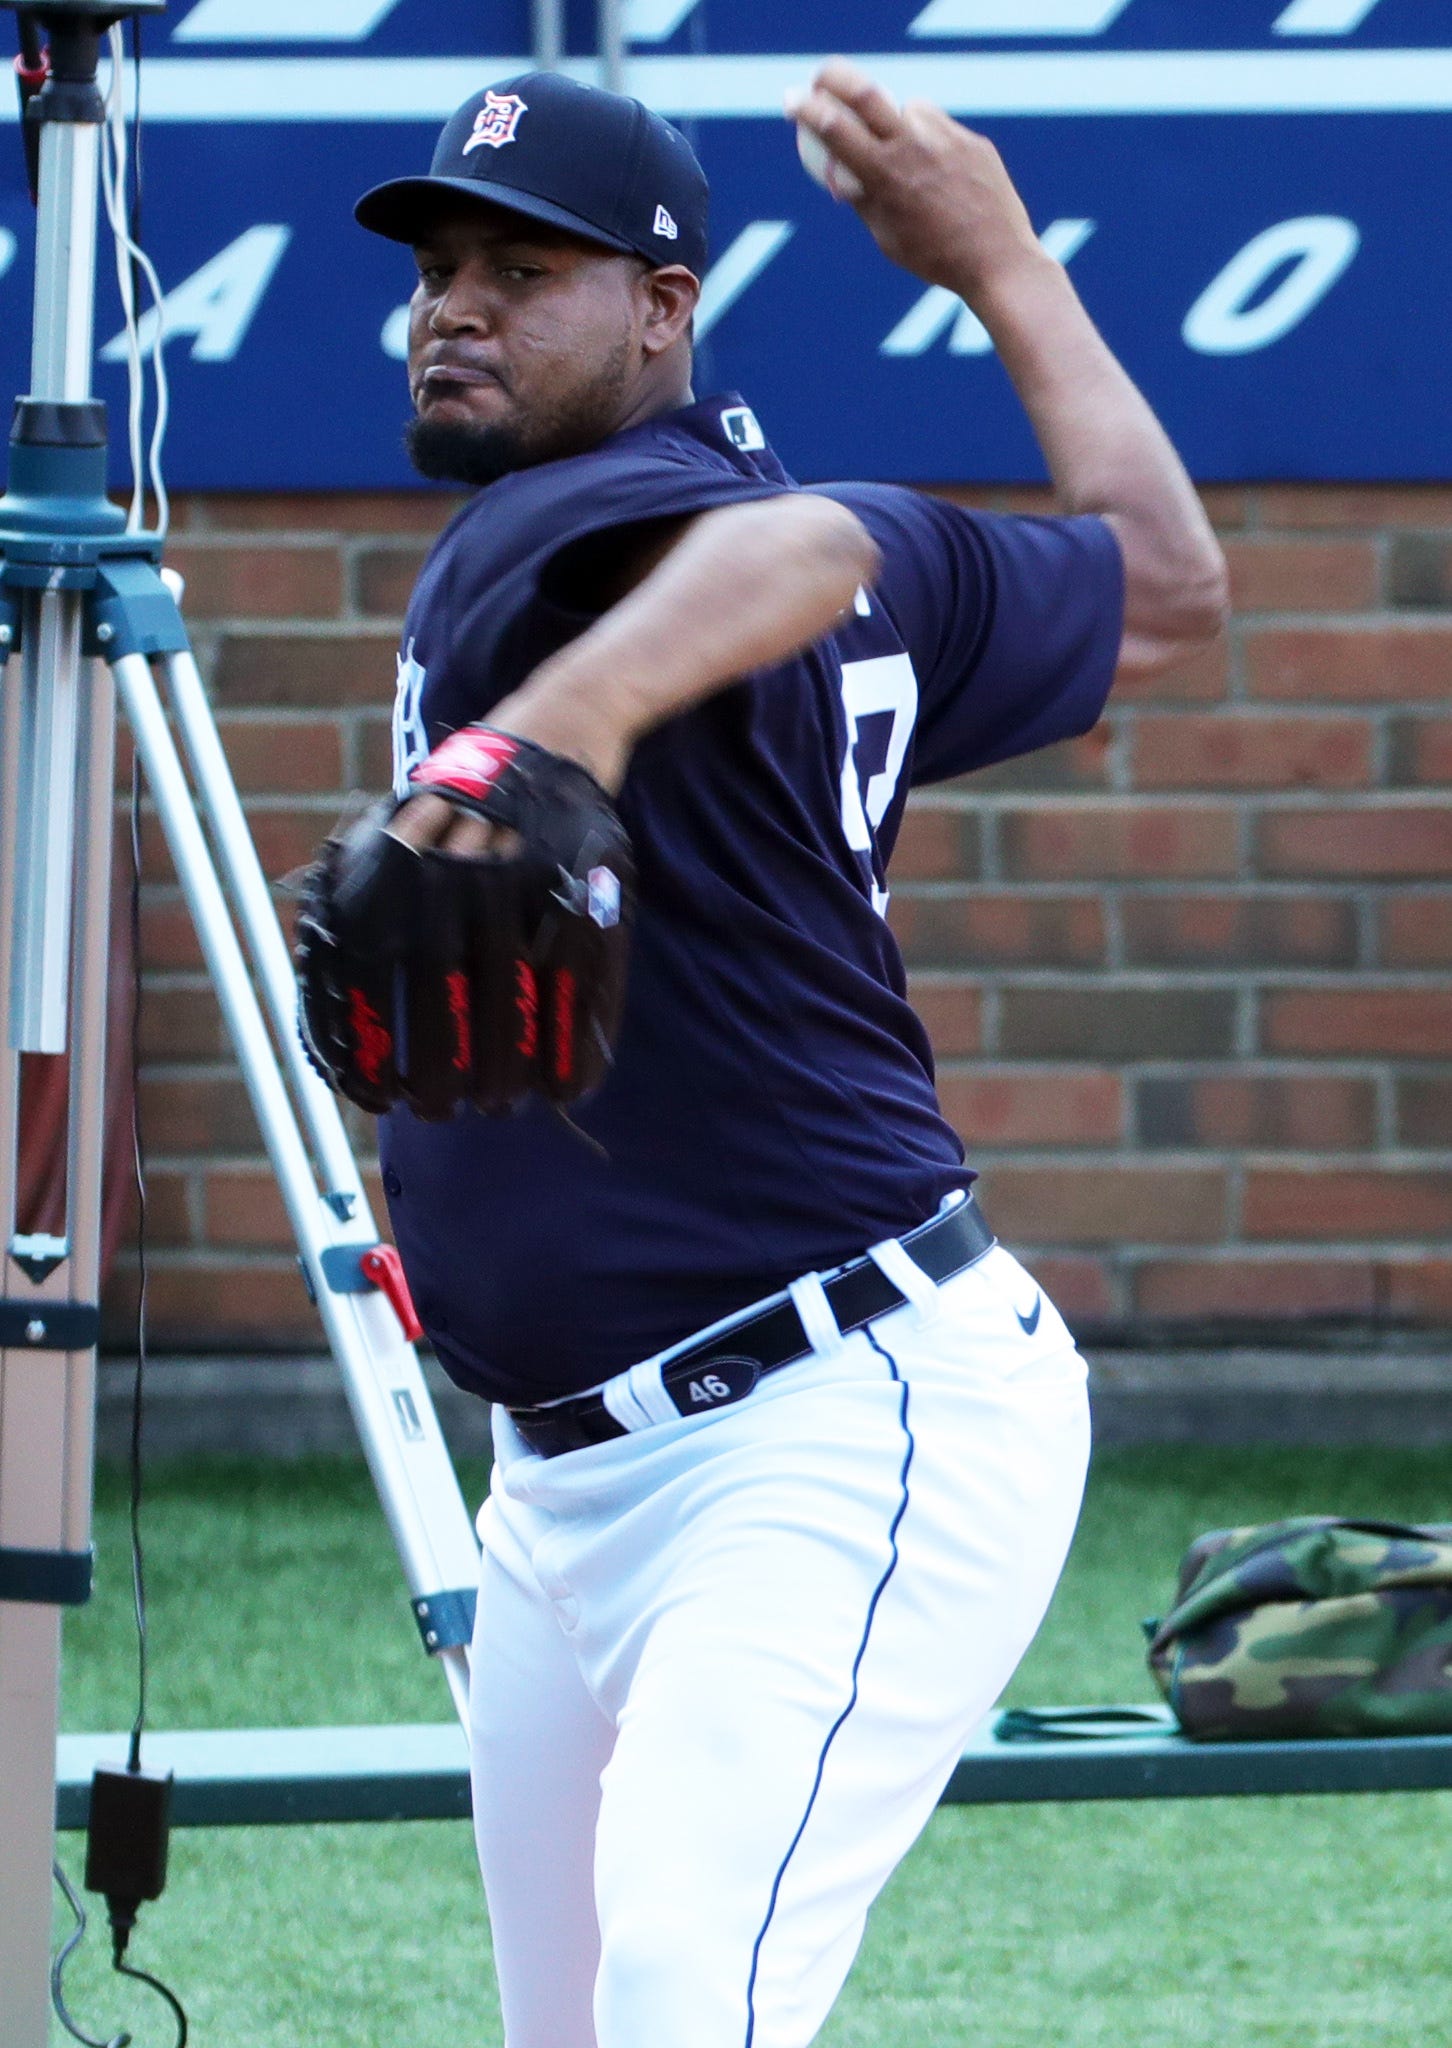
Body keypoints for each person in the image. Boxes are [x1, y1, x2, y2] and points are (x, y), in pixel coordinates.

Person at [351, 57, 1226, 2048]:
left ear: (668, 307)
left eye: (527, 268)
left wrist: (531, 734)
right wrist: (999, 266)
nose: (456, 304)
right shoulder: (757, 528)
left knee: (681, 2006)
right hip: (567, 1481)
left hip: (825, 1424)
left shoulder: (619, 515)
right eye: (439, 265)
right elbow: (1168, 590)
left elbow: (789, 554)